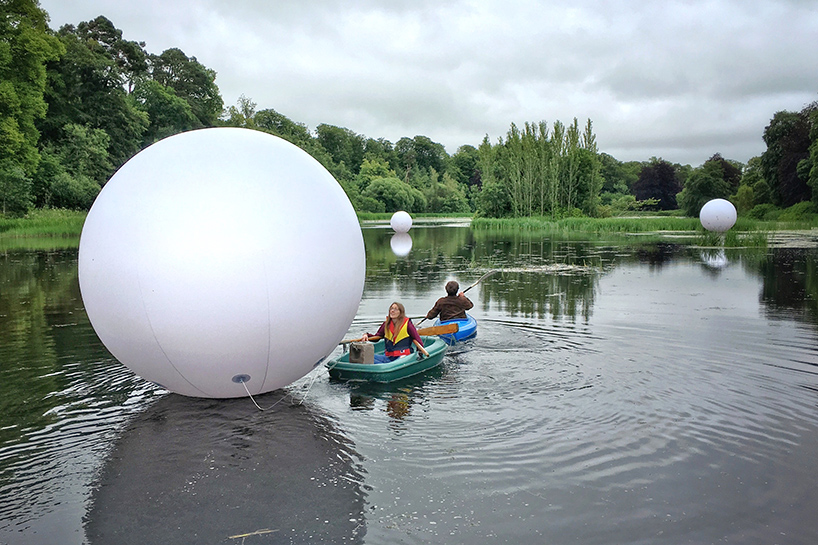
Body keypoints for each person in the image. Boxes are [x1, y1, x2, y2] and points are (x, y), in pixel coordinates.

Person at [363, 302, 429, 362]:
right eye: (391, 309)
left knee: (397, 361)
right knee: (365, 358)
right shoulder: (386, 324)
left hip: (403, 356)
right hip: (388, 356)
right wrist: (367, 335)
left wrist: (419, 353)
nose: (392, 311)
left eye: (395, 309)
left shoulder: (408, 325)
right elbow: (377, 337)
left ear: (400, 312)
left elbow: (417, 339)